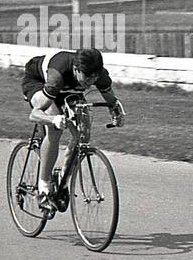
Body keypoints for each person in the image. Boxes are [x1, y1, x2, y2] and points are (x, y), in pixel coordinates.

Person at [20, 47, 125, 211]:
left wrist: (117, 111)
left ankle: (63, 176)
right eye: (87, 78)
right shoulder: (57, 76)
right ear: (76, 70)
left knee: (84, 133)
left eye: (94, 78)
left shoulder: (97, 73)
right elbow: (35, 114)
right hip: (40, 82)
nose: (91, 82)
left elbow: (111, 100)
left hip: (68, 89)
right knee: (55, 130)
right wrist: (53, 119)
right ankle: (43, 186)